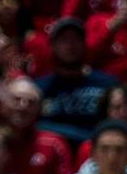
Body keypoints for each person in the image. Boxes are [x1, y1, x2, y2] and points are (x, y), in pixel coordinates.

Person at [35, 17, 119, 146]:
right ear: (53, 47)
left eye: (76, 39)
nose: (71, 45)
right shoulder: (39, 88)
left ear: (84, 43)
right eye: (64, 40)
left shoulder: (108, 84)